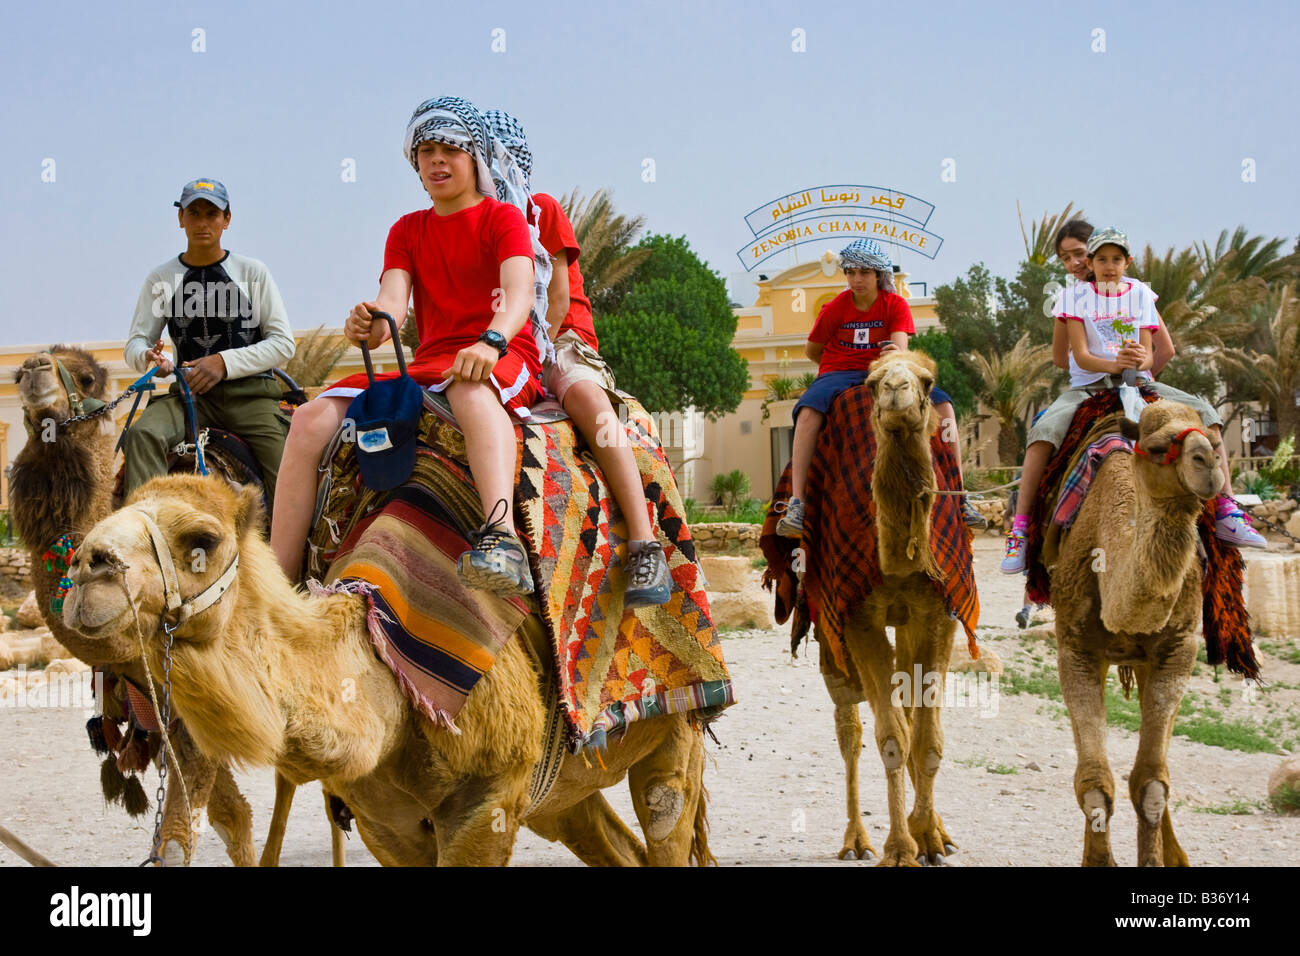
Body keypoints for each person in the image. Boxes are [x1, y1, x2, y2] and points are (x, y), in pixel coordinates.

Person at [268, 97, 543, 596]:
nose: (437, 161)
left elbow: (519, 294)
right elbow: (392, 307)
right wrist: (370, 323)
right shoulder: (407, 229)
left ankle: (502, 538)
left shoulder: (502, 219)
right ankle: (276, 582)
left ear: (475, 157)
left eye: (450, 150)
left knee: (469, 390)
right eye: (427, 151)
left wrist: (492, 340)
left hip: (503, 352)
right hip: (431, 363)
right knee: (309, 418)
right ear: (415, 162)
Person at [484, 109, 671, 606]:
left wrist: (535, 350)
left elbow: (559, 297)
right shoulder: (468, 224)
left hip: (557, 337)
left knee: (586, 398)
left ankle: (644, 541)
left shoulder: (540, 209)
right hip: (496, 339)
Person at [1000, 226, 1263, 575]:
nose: (1109, 266)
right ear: (1092, 263)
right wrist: (1115, 363)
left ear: (1128, 262)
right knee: (1044, 431)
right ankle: (1019, 530)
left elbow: (1153, 356)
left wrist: (1137, 362)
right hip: (1091, 386)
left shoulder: (1139, 294)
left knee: (1207, 414)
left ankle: (1228, 507)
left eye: (1116, 259)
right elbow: (1078, 355)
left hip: (1138, 383)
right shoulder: (1073, 297)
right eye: (1101, 259)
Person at [775, 238, 982, 537]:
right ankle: (798, 503)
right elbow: (813, 350)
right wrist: (835, 367)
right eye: (851, 272)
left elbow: (900, 349)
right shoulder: (835, 308)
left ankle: (962, 497)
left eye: (864, 273)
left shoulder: (895, 305)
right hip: (838, 372)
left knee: (944, 406)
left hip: (885, 372)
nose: (856, 279)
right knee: (807, 413)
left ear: (879, 275)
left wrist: (891, 357)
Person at [123, 178, 295, 503]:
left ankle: (294, 550)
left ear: (226, 219)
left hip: (251, 398)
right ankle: (141, 536)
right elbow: (135, 344)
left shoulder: (252, 272)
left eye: (212, 214)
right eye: (194, 213)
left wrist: (223, 363)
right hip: (189, 399)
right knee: (142, 433)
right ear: (180, 218)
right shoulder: (161, 278)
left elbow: (283, 343)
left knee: (288, 466)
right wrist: (148, 358)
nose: (203, 222)